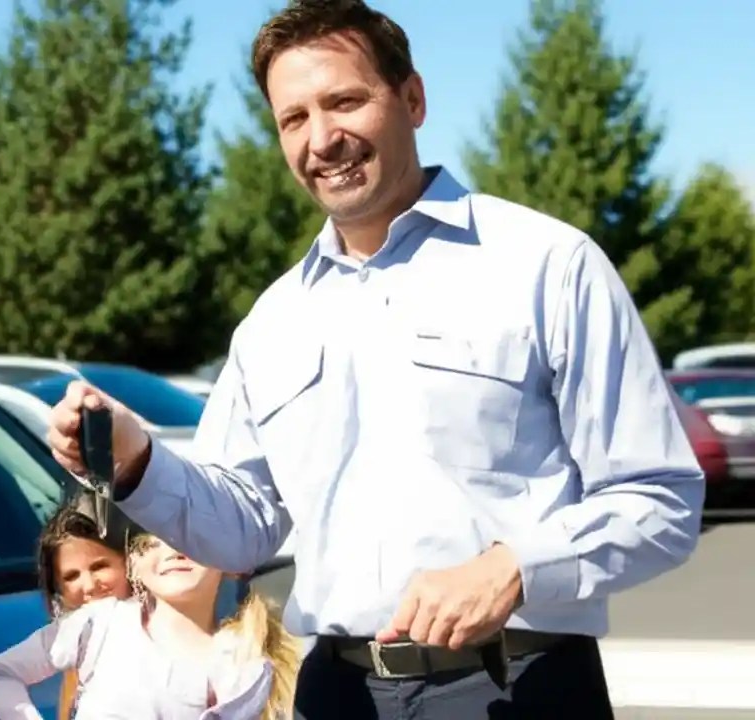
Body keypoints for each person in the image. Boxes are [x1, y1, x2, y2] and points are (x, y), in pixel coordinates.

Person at [45, 1, 705, 717]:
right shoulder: (272, 323)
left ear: (412, 99)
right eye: (294, 119)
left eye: (345, 102)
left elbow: (660, 499)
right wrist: (139, 458)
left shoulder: (547, 265)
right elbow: (241, 530)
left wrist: (516, 567)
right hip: (337, 692)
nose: (322, 139)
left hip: (519, 683)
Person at [0, 531, 300, 720]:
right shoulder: (101, 623)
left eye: (191, 538)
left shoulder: (245, 662)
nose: (172, 550)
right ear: (134, 568)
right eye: (149, 543)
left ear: (231, 564)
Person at [0, 498, 134, 720]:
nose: (90, 585)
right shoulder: (76, 632)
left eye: (99, 566)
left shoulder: (169, 615)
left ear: (128, 561)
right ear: (58, 590)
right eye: (71, 576)